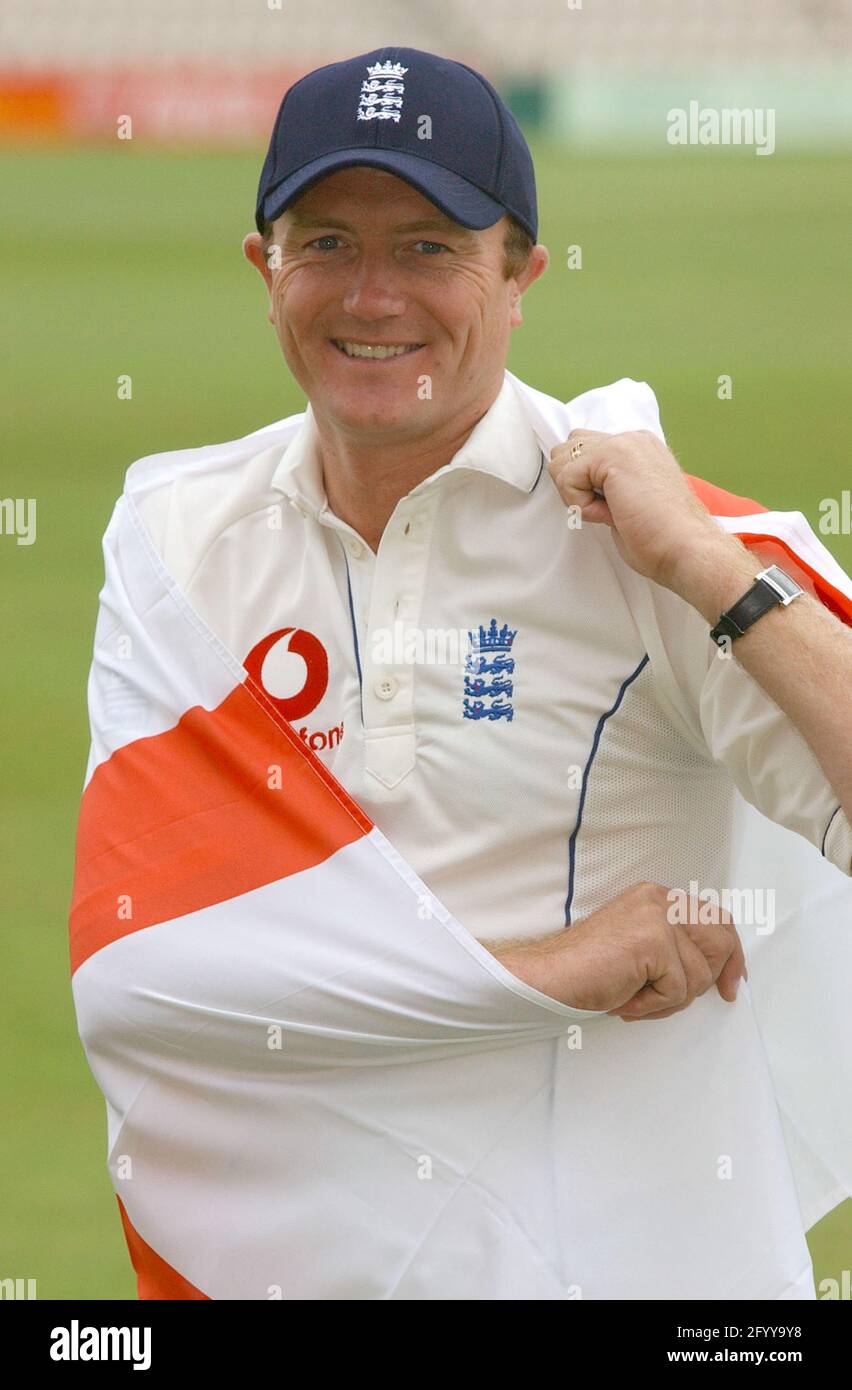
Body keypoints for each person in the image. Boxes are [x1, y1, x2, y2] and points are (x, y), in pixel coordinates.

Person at [70, 45, 852, 1300]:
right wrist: (553, 976)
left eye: (431, 246)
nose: (373, 295)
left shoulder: (657, 538)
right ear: (263, 266)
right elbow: (142, 975)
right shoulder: (174, 539)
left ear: (522, 271)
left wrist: (709, 567)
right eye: (326, 240)